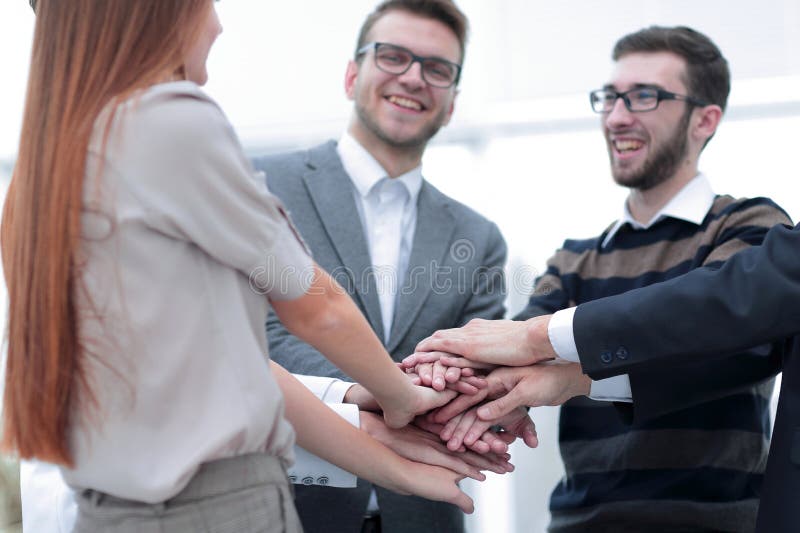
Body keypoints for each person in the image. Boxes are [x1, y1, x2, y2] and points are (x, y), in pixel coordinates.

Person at [1, 1, 476, 531]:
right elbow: (317, 310)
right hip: (216, 509)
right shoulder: (170, 120)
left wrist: (394, 465)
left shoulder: (41, 173)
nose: (219, 25)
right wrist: (402, 395)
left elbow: (243, 371)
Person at [408, 26, 792, 533]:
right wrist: (455, 377)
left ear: (705, 119)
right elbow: (515, 352)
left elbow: (732, 353)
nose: (616, 116)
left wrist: (568, 376)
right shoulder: (575, 259)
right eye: (609, 97)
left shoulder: (751, 228)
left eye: (644, 97)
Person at [252, 1, 514, 532]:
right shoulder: (261, 185)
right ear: (352, 75)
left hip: (425, 515)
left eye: (437, 68)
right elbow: (260, 334)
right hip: (288, 507)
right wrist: (393, 387)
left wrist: (452, 383)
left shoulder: (478, 238)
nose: (414, 78)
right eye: (393, 57)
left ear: (452, 102)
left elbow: (481, 362)